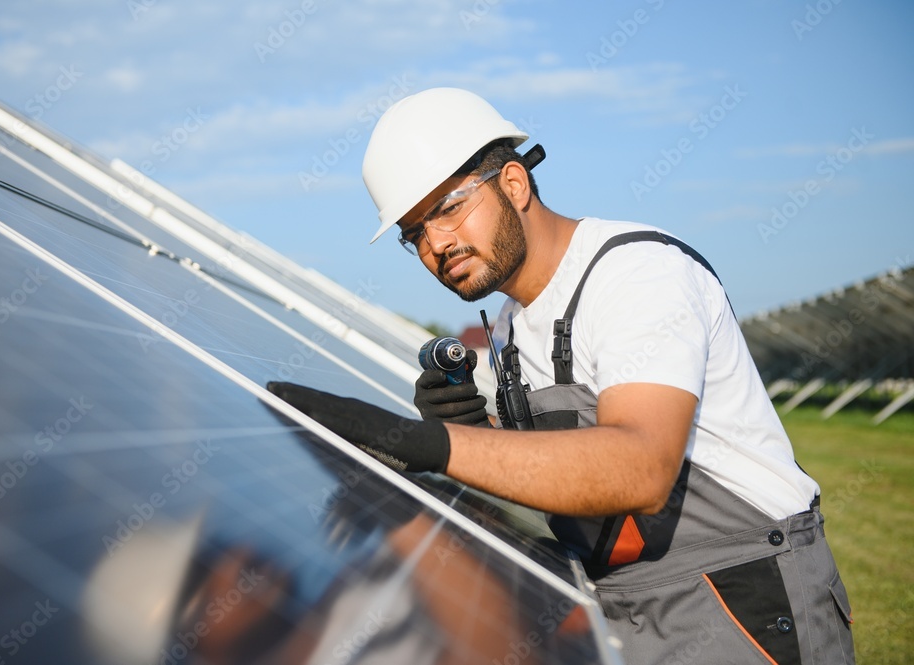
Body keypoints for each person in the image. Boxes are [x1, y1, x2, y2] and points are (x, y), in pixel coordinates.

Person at [268, 87, 855, 665]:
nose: (436, 244)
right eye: (414, 233)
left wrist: (437, 446)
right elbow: (567, 468)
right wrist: (483, 430)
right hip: (619, 604)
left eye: (447, 209)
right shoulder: (504, 329)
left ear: (515, 184)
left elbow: (640, 467)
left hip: (740, 592)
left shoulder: (637, 275)